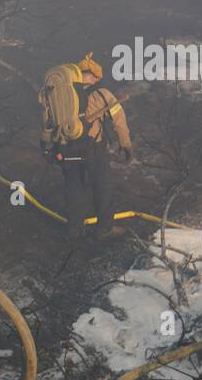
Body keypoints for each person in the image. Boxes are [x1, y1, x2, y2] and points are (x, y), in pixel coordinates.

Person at [38, 52, 134, 242]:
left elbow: (47, 123)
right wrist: (126, 145)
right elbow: (119, 122)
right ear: (94, 76)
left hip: (66, 148)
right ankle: (104, 229)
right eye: (97, 76)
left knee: (74, 189)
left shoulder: (57, 95)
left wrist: (47, 148)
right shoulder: (101, 94)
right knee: (102, 187)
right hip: (94, 149)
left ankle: (74, 230)